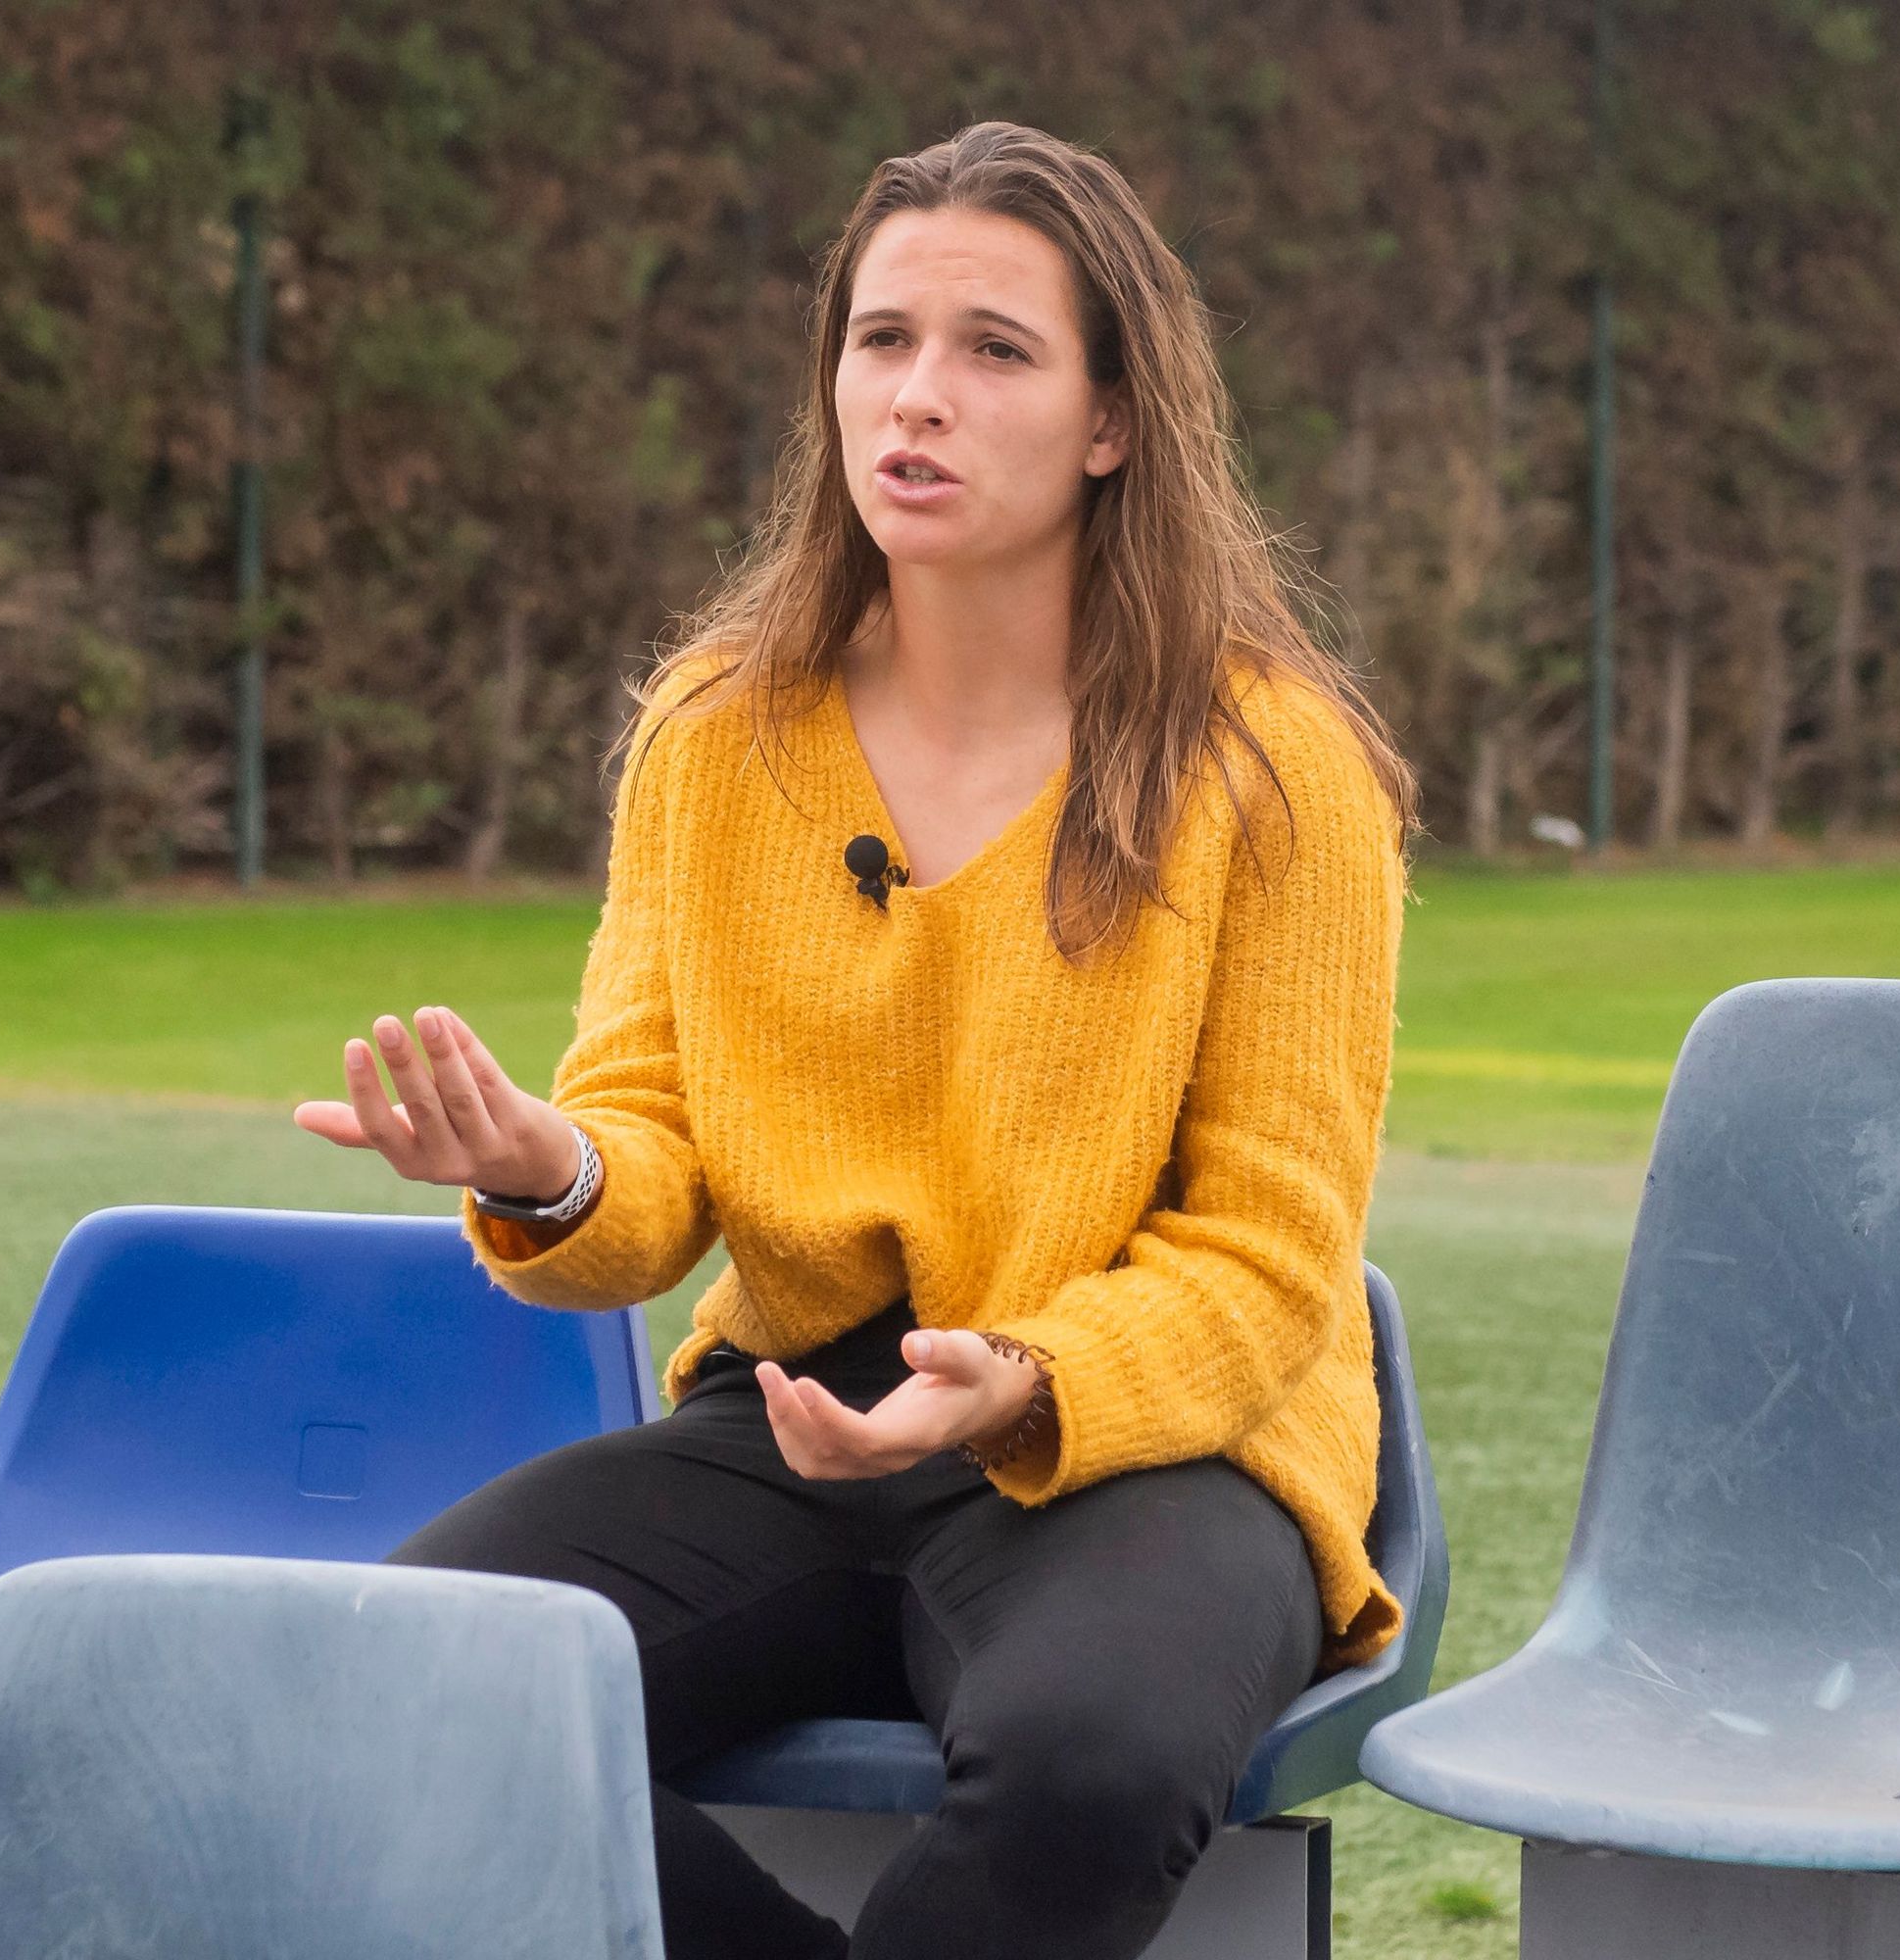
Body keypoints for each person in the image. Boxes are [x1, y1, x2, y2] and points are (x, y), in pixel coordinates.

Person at [292, 119, 1415, 1960]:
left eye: (994, 351)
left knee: (1090, 1770)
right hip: (805, 1411)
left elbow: (1277, 1252)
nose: (919, 396)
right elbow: (646, 1152)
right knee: (384, 1689)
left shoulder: (1270, 765)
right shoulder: (719, 732)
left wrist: (1033, 1378)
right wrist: (545, 1166)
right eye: (881, 340)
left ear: (1115, 420)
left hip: (1153, 1437)